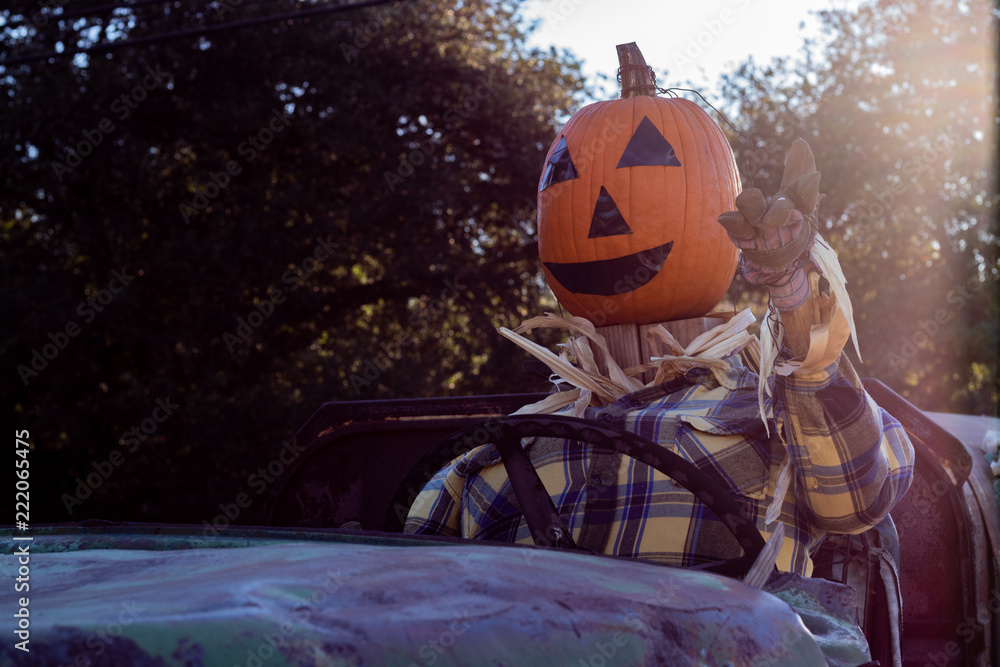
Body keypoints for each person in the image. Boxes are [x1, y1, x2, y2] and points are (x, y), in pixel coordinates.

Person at [404, 139, 914, 578]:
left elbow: (856, 501)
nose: (605, 212)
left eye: (649, 155)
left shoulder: (776, 403)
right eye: (567, 172)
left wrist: (798, 304)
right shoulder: (489, 451)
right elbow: (405, 596)